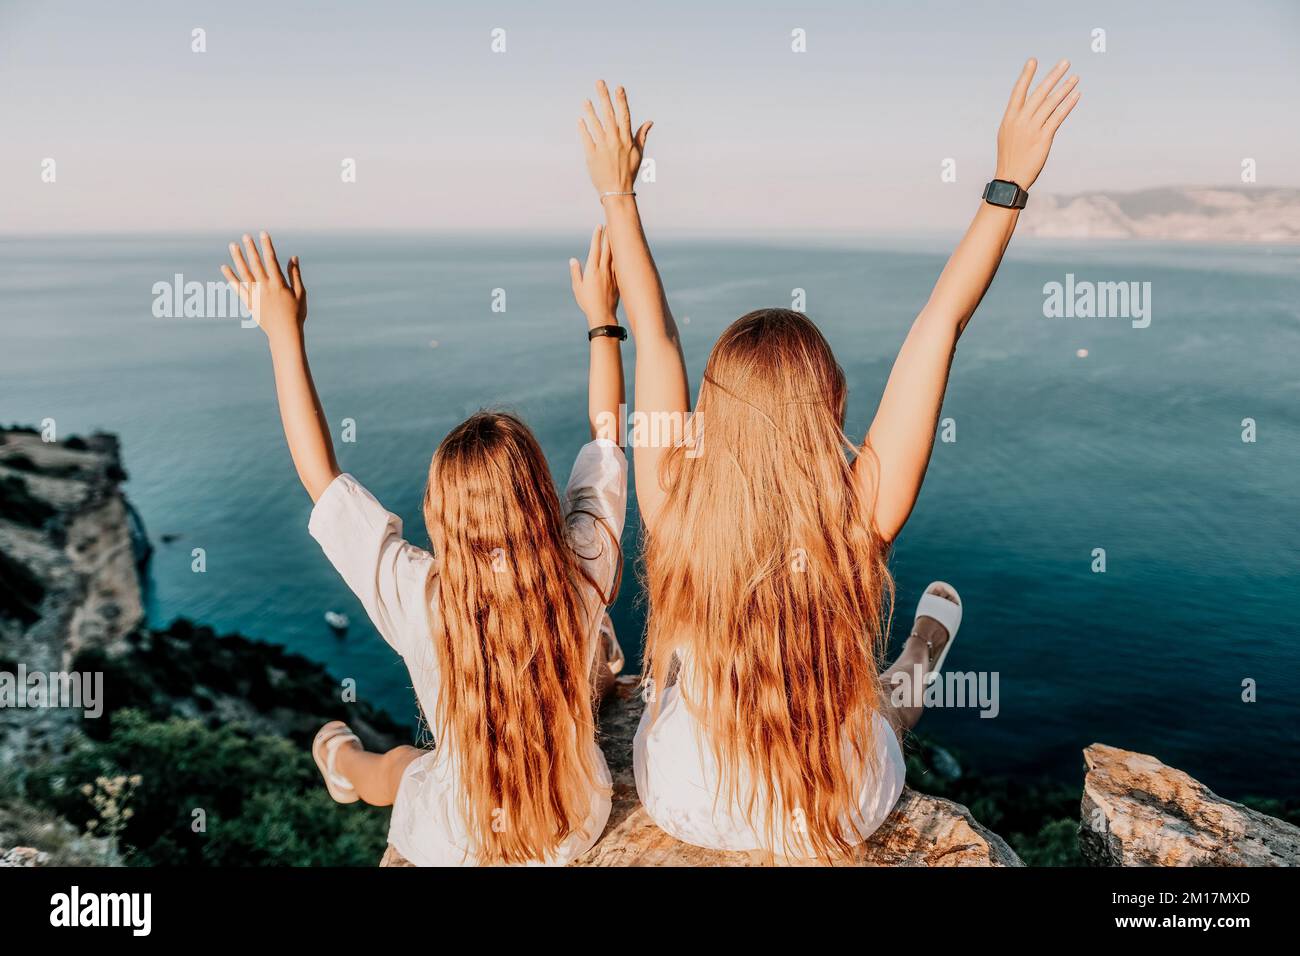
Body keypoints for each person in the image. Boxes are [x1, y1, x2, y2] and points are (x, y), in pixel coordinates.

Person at [576, 59, 1080, 859]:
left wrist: (617, 195)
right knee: (881, 704)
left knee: (672, 684)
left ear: (711, 407)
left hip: (687, 800)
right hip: (840, 805)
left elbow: (659, 335)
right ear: (830, 402)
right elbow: (940, 323)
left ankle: (909, 655)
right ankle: (923, 650)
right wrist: (1009, 179)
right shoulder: (861, 509)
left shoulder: (672, 497)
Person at [219, 226, 628, 865]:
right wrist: (603, 320)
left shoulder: (422, 595)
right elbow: (607, 439)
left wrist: (283, 336)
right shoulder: (583, 562)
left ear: (437, 517)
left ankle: (339, 761)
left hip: (461, 837)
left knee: (406, 767)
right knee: (588, 659)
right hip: (579, 817)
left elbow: (320, 479)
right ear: (542, 498)